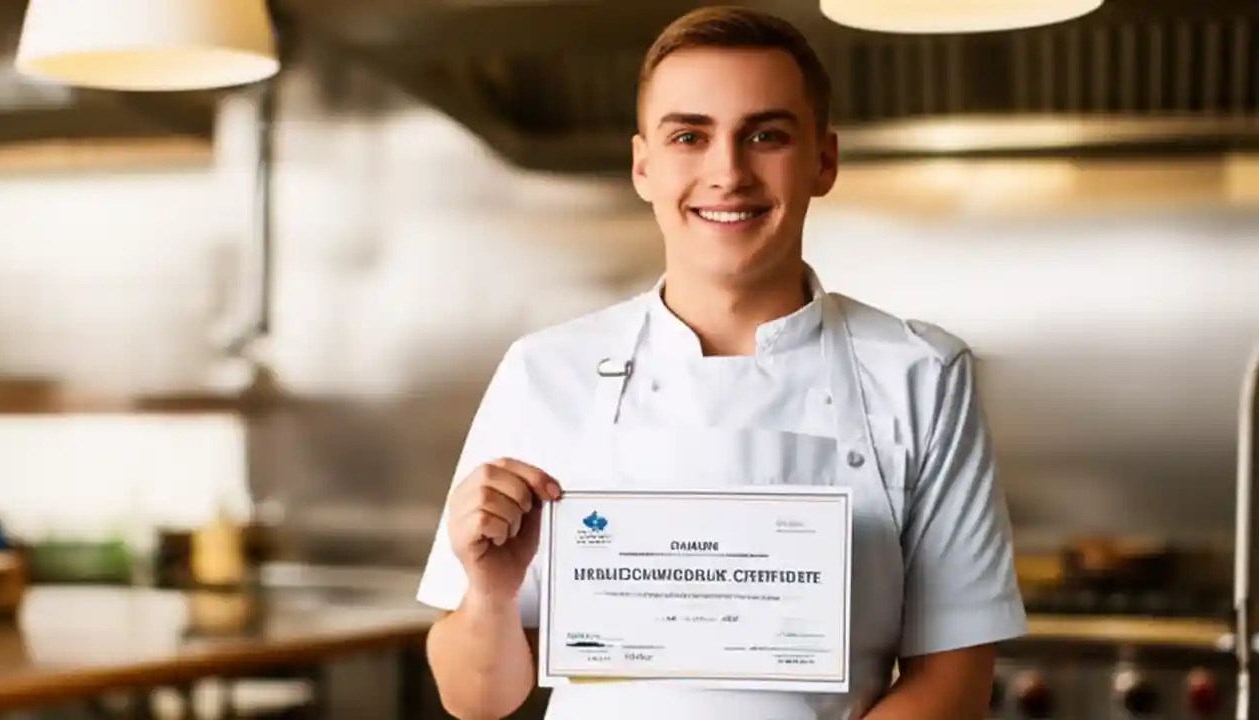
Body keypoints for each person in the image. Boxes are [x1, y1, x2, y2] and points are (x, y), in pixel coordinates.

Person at [415, 6, 1027, 719]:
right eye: (689, 136)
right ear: (644, 165)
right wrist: (489, 591)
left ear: (823, 161)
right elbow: (475, 700)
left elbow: (954, 685)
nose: (727, 172)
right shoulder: (546, 371)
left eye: (765, 135)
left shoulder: (920, 373)